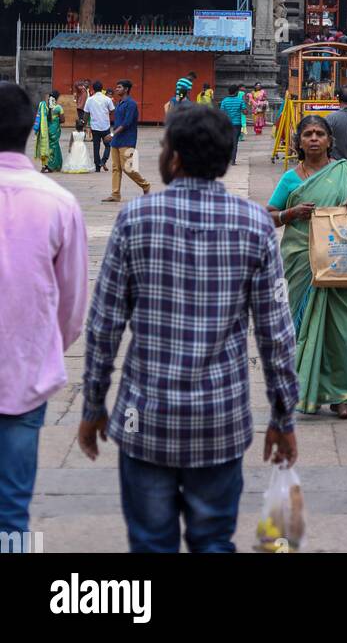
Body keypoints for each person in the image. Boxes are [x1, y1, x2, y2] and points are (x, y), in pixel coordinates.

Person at [78, 105, 299, 554]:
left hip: (146, 420)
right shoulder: (255, 224)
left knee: (150, 543)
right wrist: (283, 416)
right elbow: (276, 335)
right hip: (219, 421)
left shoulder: (135, 220)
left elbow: (104, 326)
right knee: (214, 542)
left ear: (174, 158)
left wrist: (93, 403)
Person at [0, 83, 88, 539]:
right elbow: (72, 307)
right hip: (24, 376)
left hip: (26, 369)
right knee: (12, 509)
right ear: (32, 126)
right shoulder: (58, 202)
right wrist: (41, 346)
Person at [267, 113, 347, 419]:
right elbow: (269, 214)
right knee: (299, 328)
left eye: (320, 134)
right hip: (301, 262)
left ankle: (342, 395)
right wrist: (290, 213)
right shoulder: (290, 179)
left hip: (341, 261)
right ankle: (304, 392)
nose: (314, 139)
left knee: (345, 330)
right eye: (308, 134)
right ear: (298, 141)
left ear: (330, 140)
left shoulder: (344, 172)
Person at [104, 79, 150, 203]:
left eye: (119, 87)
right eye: (116, 87)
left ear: (126, 89)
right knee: (115, 168)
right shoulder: (120, 103)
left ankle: (145, 185)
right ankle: (115, 194)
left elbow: (127, 123)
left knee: (128, 168)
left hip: (127, 140)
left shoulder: (131, 104)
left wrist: (112, 134)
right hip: (116, 141)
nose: (116, 89)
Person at [84, 81, 114, 172]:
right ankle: (103, 161)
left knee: (96, 147)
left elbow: (86, 114)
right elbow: (112, 110)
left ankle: (97, 167)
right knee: (108, 145)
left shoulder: (89, 99)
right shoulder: (107, 99)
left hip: (95, 126)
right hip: (105, 125)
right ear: (102, 89)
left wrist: (84, 124)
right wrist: (106, 113)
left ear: (93, 89)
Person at [219, 86, 247, 164]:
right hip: (237, 124)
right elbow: (245, 112)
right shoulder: (240, 100)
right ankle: (233, 160)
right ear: (236, 92)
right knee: (235, 142)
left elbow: (221, 113)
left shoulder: (224, 101)